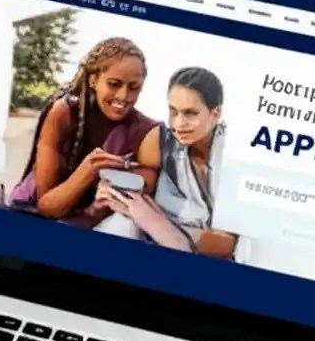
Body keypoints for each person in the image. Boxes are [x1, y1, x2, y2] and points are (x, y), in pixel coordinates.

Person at [8, 37, 157, 226]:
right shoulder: (65, 113)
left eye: (134, 88)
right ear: (93, 80)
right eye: (114, 84)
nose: (123, 96)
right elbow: (47, 206)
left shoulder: (147, 132)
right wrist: (90, 169)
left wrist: (95, 211)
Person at [98, 67, 236, 257]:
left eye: (190, 113)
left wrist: (158, 225)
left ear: (216, 113)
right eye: (173, 111)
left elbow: (226, 244)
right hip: (151, 237)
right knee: (122, 224)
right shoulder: (160, 139)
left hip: (192, 251)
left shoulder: (233, 154)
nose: (179, 124)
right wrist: (114, 192)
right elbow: (142, 187)